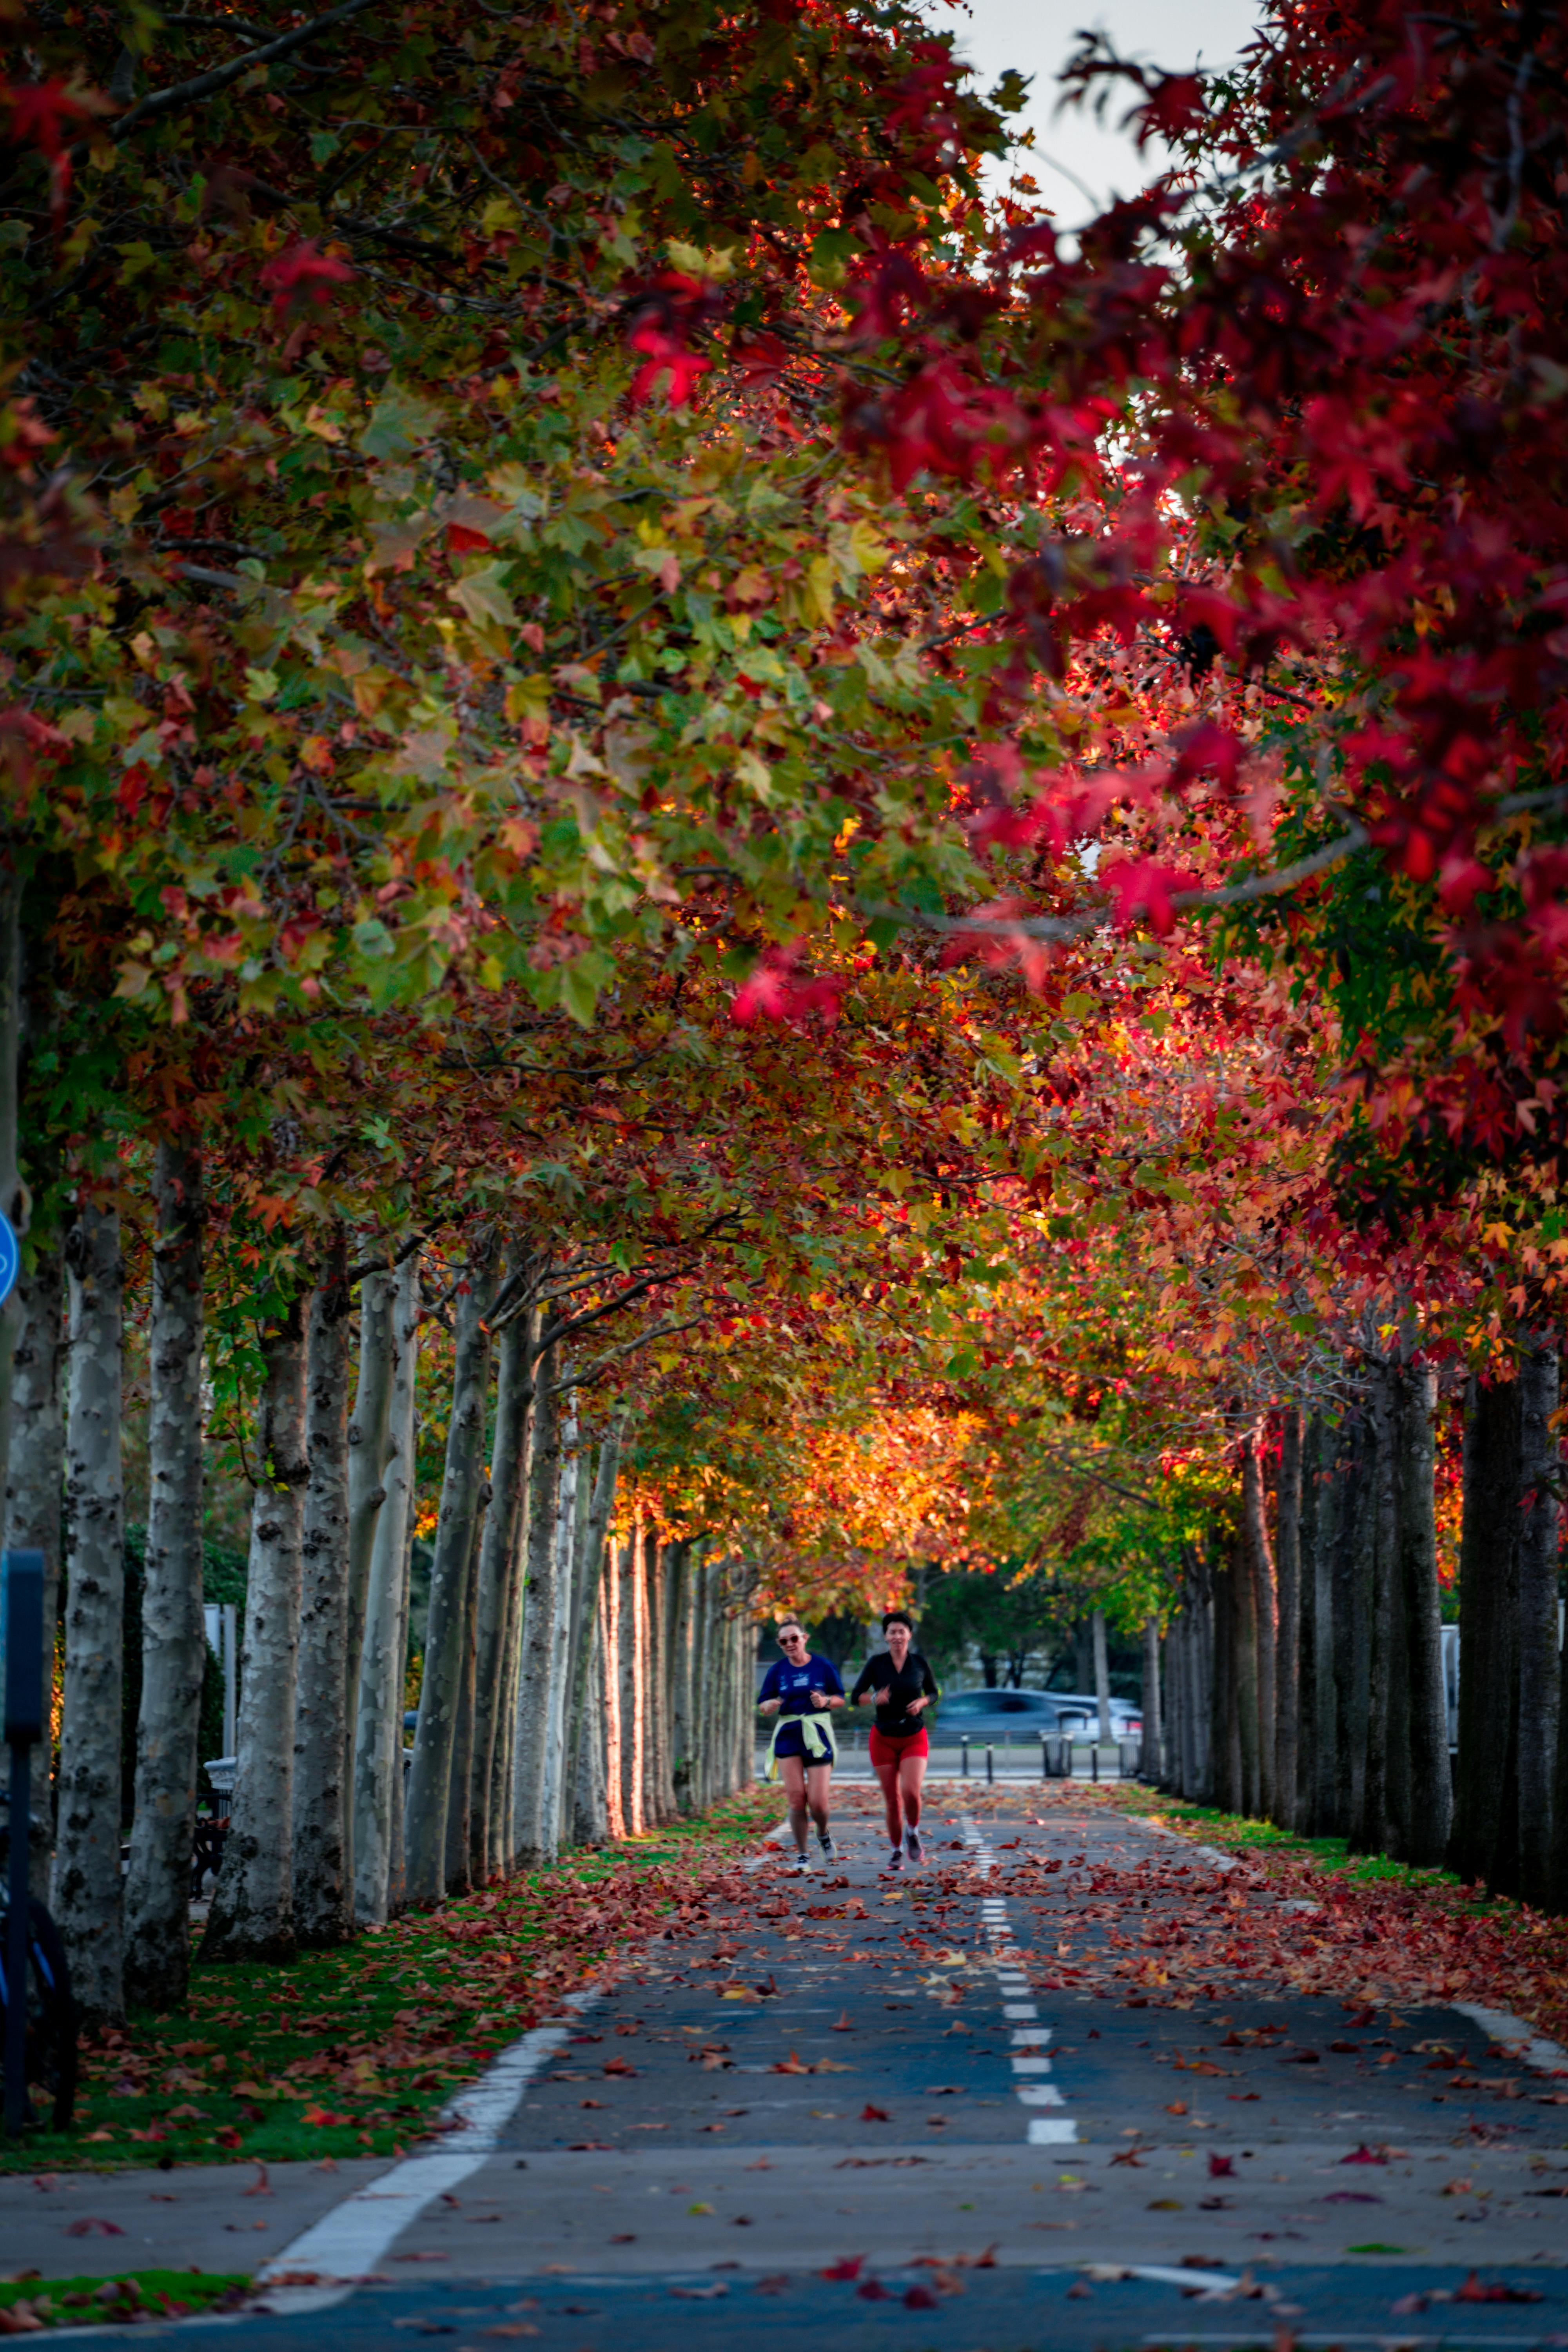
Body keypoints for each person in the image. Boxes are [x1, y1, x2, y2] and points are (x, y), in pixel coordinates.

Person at [850, 1610, 939, 1871]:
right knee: (892, 1799)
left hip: (913, 1735)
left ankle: (913, 1831)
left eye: (902, 1631)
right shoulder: (877, 1664)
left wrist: (923, 1701)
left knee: (910, 1792)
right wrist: (875, 1698)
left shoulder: (920, 1663)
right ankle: (896, 1851)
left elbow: (935, 1692)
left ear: (909, 1635)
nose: (897, 1636)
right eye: (892, 1632)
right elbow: (856, 1696)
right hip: (883, 1738)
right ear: (886, 1637)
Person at [757, 1619, 846, 1874]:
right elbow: (763, 1704)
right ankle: (803, 1855)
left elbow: (840, 1698)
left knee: (817, 1802)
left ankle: (822, 1833)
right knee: (797, 1799)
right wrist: (769, 1706)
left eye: (794, 1639)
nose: (789, 1645)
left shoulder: (823, 1667)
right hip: (788, 1733)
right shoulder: (777, 1671)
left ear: (804, 1638)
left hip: (816, 1734)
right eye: (783, 1641)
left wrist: (825, 1700)